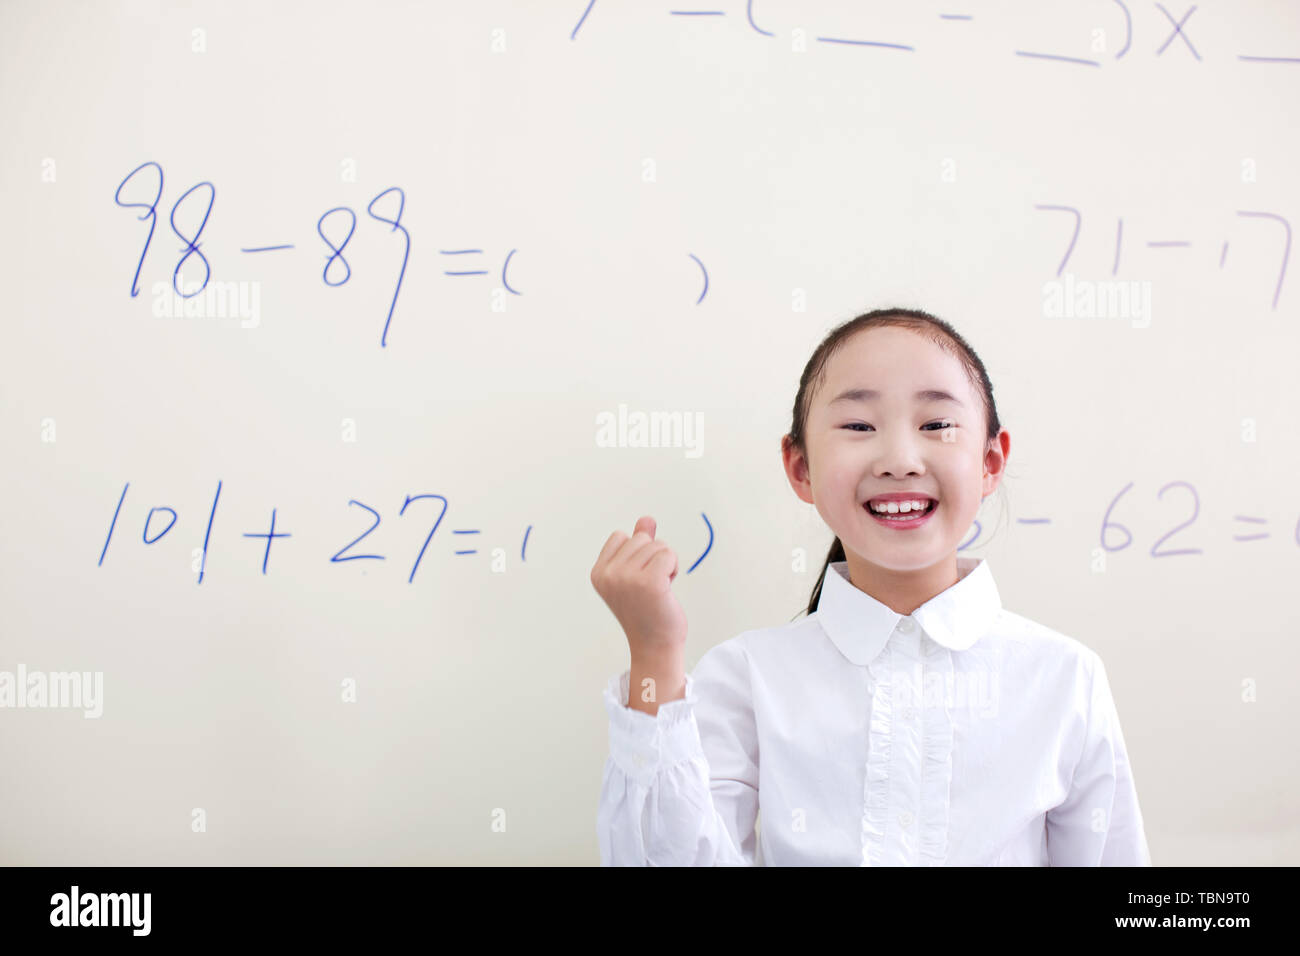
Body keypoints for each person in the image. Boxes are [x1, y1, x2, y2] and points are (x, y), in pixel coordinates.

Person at [590, 307, 1151, 866]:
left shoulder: (1065, 678)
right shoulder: (746, 676)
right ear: (801, 468)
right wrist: (653, 651)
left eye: (936, 425)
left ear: (990, 461)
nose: (899, 461)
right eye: (859, 426)